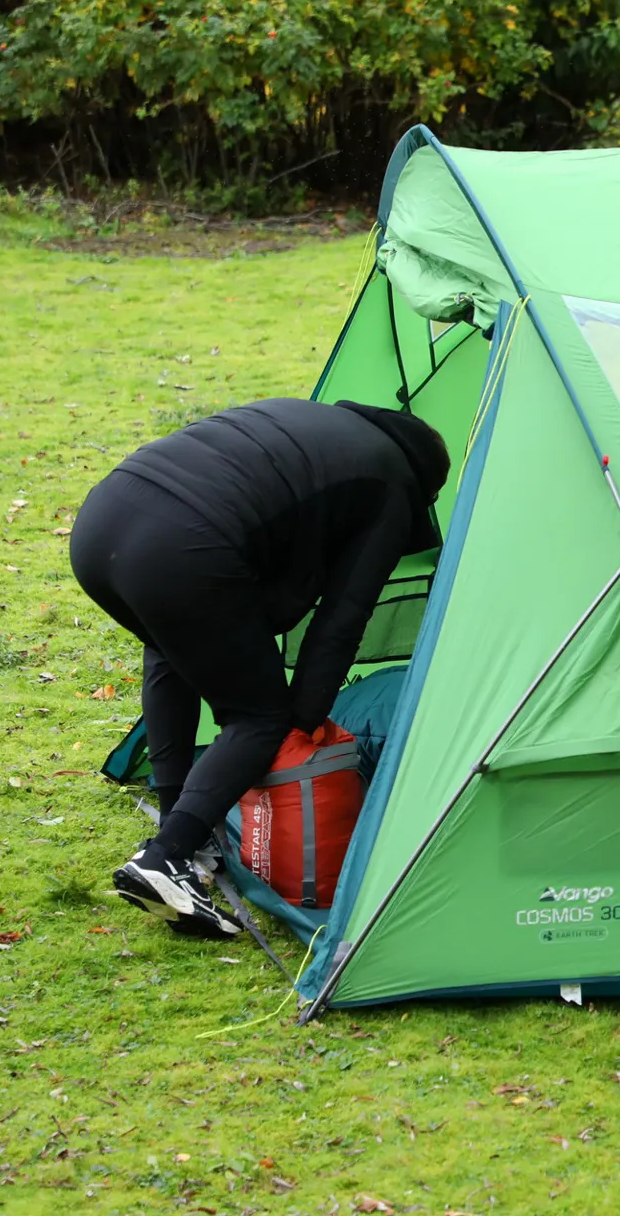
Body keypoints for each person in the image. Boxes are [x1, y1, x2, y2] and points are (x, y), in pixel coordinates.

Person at [70, 398, 449, 937]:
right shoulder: (392, 484)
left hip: (100, 524)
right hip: (184, 546)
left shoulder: (316, 423)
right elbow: (342, 619)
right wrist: (303, 720)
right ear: (424, 487)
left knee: (171, 651)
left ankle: (183, 835)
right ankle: (166, 859)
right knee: (259, 717)